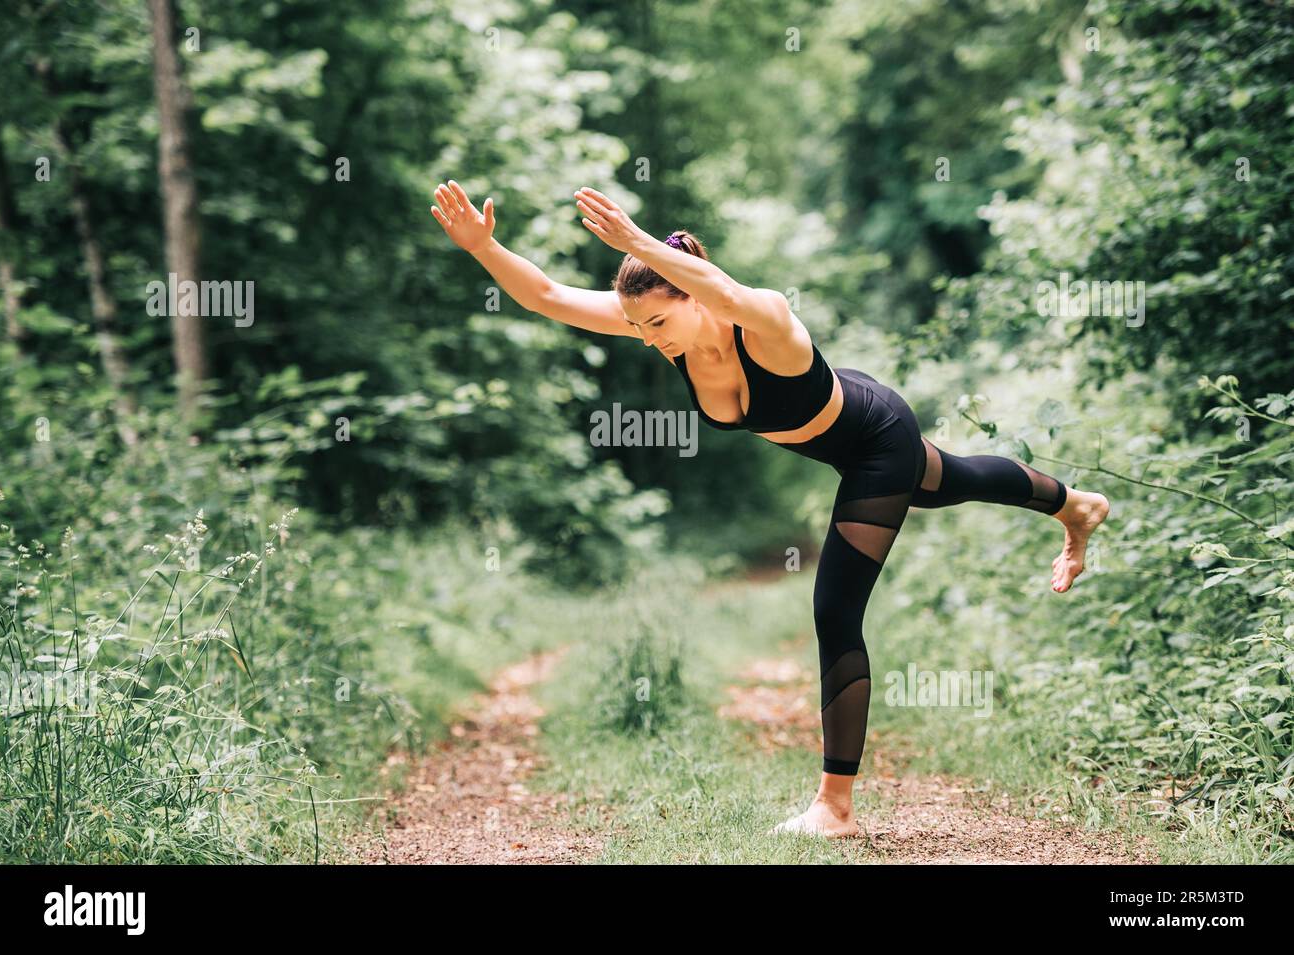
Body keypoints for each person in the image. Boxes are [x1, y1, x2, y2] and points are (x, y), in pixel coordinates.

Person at [431, 180, 1110, 838]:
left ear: (692, 292)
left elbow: (724, 288)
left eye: (659, 320)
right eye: (639, 327)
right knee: (951, 478)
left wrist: (637, 237)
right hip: (852, 423)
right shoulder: (660, 319)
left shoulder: (765, 320)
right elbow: (548, 294)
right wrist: (483, 249)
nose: (649, 337)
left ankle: (835, 807)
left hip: (876, 440)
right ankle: (1075, 505)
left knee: (835, 608)